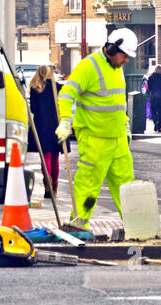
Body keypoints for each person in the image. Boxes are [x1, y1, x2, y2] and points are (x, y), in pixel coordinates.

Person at [56, 28, 137, 232]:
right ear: (111, 48)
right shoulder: (88, 67)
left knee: (127, 186)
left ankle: (136, 226)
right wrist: (65, 122)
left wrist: (125, 126)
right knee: (89, 183)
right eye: (124, 55)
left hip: (118, 140)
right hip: (95, 139)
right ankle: (79, 225)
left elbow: (117, 103)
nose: (126, 60)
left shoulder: (116, 68)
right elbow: (66, 94)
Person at [27, 65, 67, 195]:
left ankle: (47, 186)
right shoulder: (57, 87)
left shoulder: (35, 89)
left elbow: (33, 109)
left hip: (41, 126)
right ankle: (54, 187)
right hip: (56, 125)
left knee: (45, 157)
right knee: (55, 157)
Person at [146, 63, 161, 133]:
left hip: (154, 95)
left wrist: (148, 94)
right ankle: (159, 126)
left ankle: (155, 123)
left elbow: (149, 87)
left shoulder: (151, 77)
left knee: (153, 111)